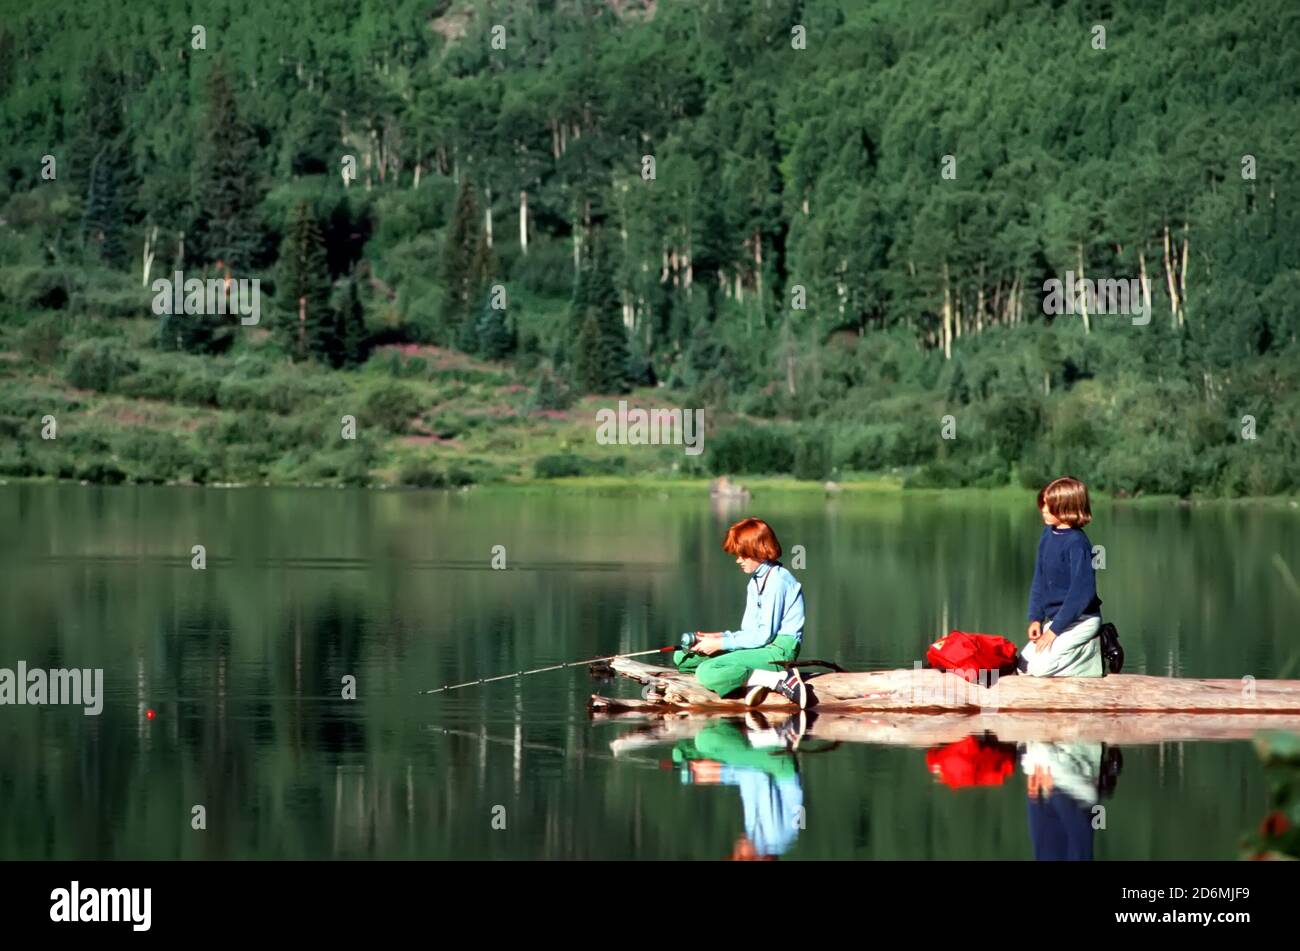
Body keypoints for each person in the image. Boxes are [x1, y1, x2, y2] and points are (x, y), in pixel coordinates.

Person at [675, 517, 808, 708]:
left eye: (743, 555)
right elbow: (750, 632)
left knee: (706, 670)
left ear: (760, 551)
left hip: (778, 652)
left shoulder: (777, 581)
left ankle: (778, 680)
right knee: (683, 657)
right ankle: (752, 680)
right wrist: (715, 637)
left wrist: (719, 644)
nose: (738, 560)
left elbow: (764, 636)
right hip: (760, 647)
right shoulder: (755, 582)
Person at [1019, 477, 1105, 678]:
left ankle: (1088, 658)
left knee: (1038, 670)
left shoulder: (1078, 543)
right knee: (1022, 665)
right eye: (1043, 505)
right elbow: (1039, 579)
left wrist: (1053, 631)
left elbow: (1082, 594)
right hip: (1059, 620)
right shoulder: (1047, 534)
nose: (1043, 510)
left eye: (1049, 506)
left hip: (1082, 620)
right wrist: (1036, 618)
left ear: (1066, 508)